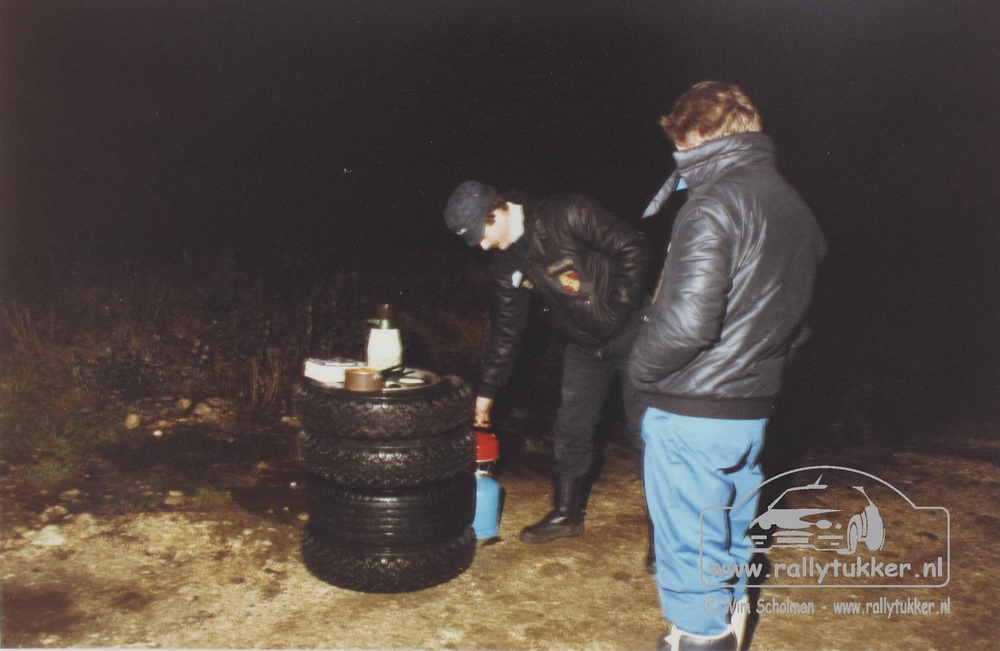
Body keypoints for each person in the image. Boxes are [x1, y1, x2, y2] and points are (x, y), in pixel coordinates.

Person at [630, 82, 825, 651]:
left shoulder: (714, 203)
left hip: (692, 408)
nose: (679, 158)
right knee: (730, 534)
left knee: (692, 547)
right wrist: (760, 374)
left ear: (701, 134)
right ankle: (722, 631)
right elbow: (799, 322)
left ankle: (699, 638)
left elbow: (689, 322)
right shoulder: (795, 207)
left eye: (683, 143)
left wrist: (639, 370)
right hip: (749, 411)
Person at [444, 180, 652, 553]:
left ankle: (665, 535)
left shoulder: (568, 213)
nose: (482, 245)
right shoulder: (506, 264)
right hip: (584, 346)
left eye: (482, 233)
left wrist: (619, 309)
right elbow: (506, 333)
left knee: (645, 435)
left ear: (498, 210)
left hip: (635, 335)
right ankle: (567, 514)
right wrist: (486, 394)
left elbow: (633, 246)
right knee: (571, 428)